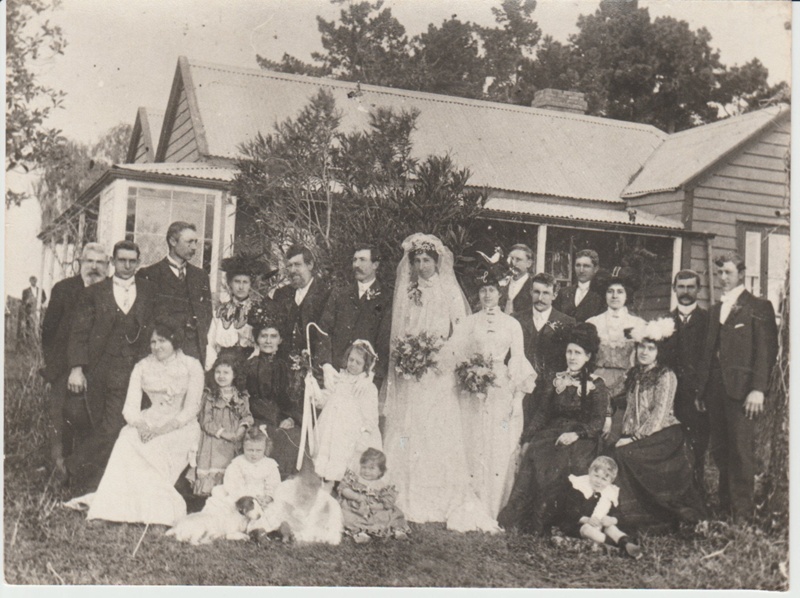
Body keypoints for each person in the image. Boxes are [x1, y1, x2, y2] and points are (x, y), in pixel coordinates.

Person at [383, 233, 498, 532]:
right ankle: (406, 492)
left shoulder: (449, 290)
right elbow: (401, 330)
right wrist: (410, 354)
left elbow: (460, 331)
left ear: (437, 262)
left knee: (438, 429)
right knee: (410, 428)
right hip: (414, 372)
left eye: (427, 260)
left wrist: (440, 356)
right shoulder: (409, 291)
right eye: (417, 261)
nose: (422, 266)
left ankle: (439, 495)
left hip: (439, 371)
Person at [77, 318, 205, 526]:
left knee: (157, 446)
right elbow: (130, 407)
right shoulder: (142, 366)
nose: (156, 347)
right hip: (149, 420)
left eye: (162, 341)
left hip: (180, 425)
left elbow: (191, 408)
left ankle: (159, 515)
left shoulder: (191, 365)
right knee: (126, 439)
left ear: (174, 340)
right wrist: (142, 426)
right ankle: (112, 511)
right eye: (153, 342)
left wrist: (162, 429)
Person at [65, 240, 156, 496]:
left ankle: (80, 470)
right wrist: (76, 368)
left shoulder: (149, 291)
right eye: (121, 260)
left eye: (132, 261)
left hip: (136, 370)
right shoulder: (95, 292)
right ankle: (87, 479)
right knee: (106, 424)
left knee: (117, 425)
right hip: (102, 368)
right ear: (113, 262)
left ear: (138, 262)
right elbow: (80, 332)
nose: (127, 265)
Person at [498, 323, 607, 535]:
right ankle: (517, 521)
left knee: (560, 462)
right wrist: (526, 439)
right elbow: (542, 413)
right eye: (569, 352)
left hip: (582, 438)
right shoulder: (556, 379)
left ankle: (544, 522)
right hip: (553, 432)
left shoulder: (597, 384)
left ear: (588, 356)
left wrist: (576, 434)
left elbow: (597, 422)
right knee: (535, 454)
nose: (572, 357)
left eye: (578, 353)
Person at [696, 252, 778, 522]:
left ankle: (742, 515)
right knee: (720, 450)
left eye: (728, 272)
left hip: (743, 391)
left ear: (741, 274)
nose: (722, 278)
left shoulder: (758, 306)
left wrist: (758, 389)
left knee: (741, 450)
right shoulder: (715, 310)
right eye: (719, 272)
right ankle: (725, 508)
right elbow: (708, 353)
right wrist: (702, 391)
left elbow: (766, 351)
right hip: (715, 390)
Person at [449, 269, 536, 518]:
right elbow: (456, 353)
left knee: (496, 442)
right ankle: (469, 497)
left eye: (492, 290)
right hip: (472, 387)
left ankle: (493, 502)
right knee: (472, 438)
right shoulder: (468, 323)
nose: (487, 295)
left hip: (499, 387)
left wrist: (517, 396)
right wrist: (468, 374)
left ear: (500, 293)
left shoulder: (511, 324)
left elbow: (517, 359)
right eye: (483, 290)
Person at [610, 318, 706, 530]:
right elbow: (613, 393)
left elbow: (659, 414)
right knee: (614, 451)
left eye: (650, 348)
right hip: (635, 435)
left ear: (658, 352)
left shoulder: (666, 375)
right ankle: (624, 511)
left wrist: (633, 438)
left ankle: (645, 514)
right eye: (641, 347)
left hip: (663, 436)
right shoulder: (634, 373)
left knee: (625, 454)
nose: (644, 352)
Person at [40, 243, 108, 481]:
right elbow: (48, 331)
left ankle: (86, 473)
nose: (94, 267)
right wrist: (55, 367)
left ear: (107, 266)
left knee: (94, 420)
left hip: (98, 370)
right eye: (89, 261)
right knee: (60, 420)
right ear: (80, 263)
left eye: (100, 262)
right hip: (63, 368)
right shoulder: (64, 289)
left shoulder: (110, 292)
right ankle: (58, 473)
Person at [318, 244, 392, 390]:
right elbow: (324, 330)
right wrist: (326, 365)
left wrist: (373, 374)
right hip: (336, 374)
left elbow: (385, 340)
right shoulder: (340, 294)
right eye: (354, 260)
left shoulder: (386, 297)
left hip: (366, 379)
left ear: (375, 265)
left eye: (362, 260)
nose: (356, 265)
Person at [138, 221, 213, 363]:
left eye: (195, 242)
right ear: (173, 241)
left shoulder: (200, 276)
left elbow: (207, 312)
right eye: (189, 242)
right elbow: (144, 318)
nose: (194, 247)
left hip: (193, 351)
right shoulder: (149, 274)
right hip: (162, 351)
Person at [308, 340, 382, 484]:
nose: (352, 364)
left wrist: (364, 434)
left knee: (345, 459)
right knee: (326, 455)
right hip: (331, 425)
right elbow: (325, 399)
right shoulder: (339, 378)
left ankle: (343, 483)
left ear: (366, 366)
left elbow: (371, 417)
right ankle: (326, 481)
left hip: (351, 429)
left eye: (358, 362)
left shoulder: (367, 387)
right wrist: (315, 391)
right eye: (351, 359)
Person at [664, 270, 710, 495]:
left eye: (690, 287)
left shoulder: (708, 321)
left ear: (698, 290)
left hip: (697, 396)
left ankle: (695, 494)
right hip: (670, 396)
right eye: (681, 287)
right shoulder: (664, 322)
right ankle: (672, 494)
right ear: (674, 289)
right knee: (671, 444)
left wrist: (703, 392)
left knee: (697, 446)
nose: (685, 292)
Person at [245, 298, 302, 479]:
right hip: (255, 416)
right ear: (257, 338)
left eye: (273, 336)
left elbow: (289, 400)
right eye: (264, 336)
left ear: (280, 339)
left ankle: (282, 482)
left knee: (293, 436)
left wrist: (290, 418)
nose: (268, 341)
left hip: (279, 416)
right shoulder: (249, 365)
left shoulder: (284, 366)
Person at [586, 270, 645, 438]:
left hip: (628, 381)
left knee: (621, 428)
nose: (614, 296)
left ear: (627, 295)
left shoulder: (638, 323)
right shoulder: (593, 322)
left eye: (620, 291)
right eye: (610, 291)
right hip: (598, 379)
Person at [515, 272, 575, 428]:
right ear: (530, 292)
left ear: (554, 295)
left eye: (546, 293)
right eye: (536, 292)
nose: (540, 298)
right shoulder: (516, 320)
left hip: (551, 391)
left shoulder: (567, 322)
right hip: (522, 389)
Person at [188, 355, 254, 497]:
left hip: (235, 439)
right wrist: (224, 433)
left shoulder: (241, 396)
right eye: (218, 372)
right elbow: (205, 421)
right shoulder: (209, 395)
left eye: (226, 372)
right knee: (214, 479)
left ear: (234, 375)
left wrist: (241, 429)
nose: (221, 376)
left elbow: (247, 416)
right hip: (214, 440)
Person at [553, 456, 641, 559]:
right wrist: (587, 520)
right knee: (588, 530)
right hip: (578, 525)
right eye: (596, 476)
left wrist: (612, 519)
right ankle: (614, 546)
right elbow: (570, 511)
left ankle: (625, 543)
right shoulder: (580, 487)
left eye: (604, 479)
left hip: (599, 525)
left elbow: (618, 513)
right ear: (589, 472)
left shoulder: (610, 493)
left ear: (611, 481)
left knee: (611, 528)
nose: (598, 481)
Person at [205, 253, 277, 370]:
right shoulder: (220, 311)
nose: (241, 287)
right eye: (237, 281)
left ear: (251, 284)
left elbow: (261, 345)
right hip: (222, 366)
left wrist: (250, 366)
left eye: (245, 282)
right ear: (230, 283)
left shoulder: (258, 311)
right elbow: (210, 343)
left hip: (249, 366)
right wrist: (214, 366)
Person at [250, 459, 344, 545]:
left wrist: (302, 534)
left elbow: (334, 537)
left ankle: (291, 535)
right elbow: (275, 511)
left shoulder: (329, 502)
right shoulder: (286, 487)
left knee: (319, 532)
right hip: (286, 521)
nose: (308, 490)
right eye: (305, 483)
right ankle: (263, 532)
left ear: (318, 485)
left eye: (312, 486)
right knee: (269, 515)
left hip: (309, 529)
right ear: (298, 479)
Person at [337, 448, 410, 543]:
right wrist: (356, 496)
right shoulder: (355, 478)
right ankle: (359, 533)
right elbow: (343, 488)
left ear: (380, 471)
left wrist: (380, 506)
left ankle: (397, 530)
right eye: (364, 467)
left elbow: (389, 499)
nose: (366, 471)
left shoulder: (382, 484)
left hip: (377, 509)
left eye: (371, 468)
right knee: (350, 516)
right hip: (356, 508)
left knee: (390, 515)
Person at [272, 245, 330, 358]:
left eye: (297, 265)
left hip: (313, 362)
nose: (292, 270)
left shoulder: (326, 295)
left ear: (310, 265)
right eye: (289, 266)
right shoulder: (281, 294)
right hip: (283, 362)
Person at [552, 249, 605, 322]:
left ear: (595, 269)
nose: (581, 270)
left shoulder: (601, 295)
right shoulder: (563, 293)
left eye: (586, 266)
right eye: (578, 265)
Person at [503, 244, 534, 315]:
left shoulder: (534, 287)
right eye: (511, 259)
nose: (513, 263)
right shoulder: (501, 284)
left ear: (528, 263)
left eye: (518, 260)